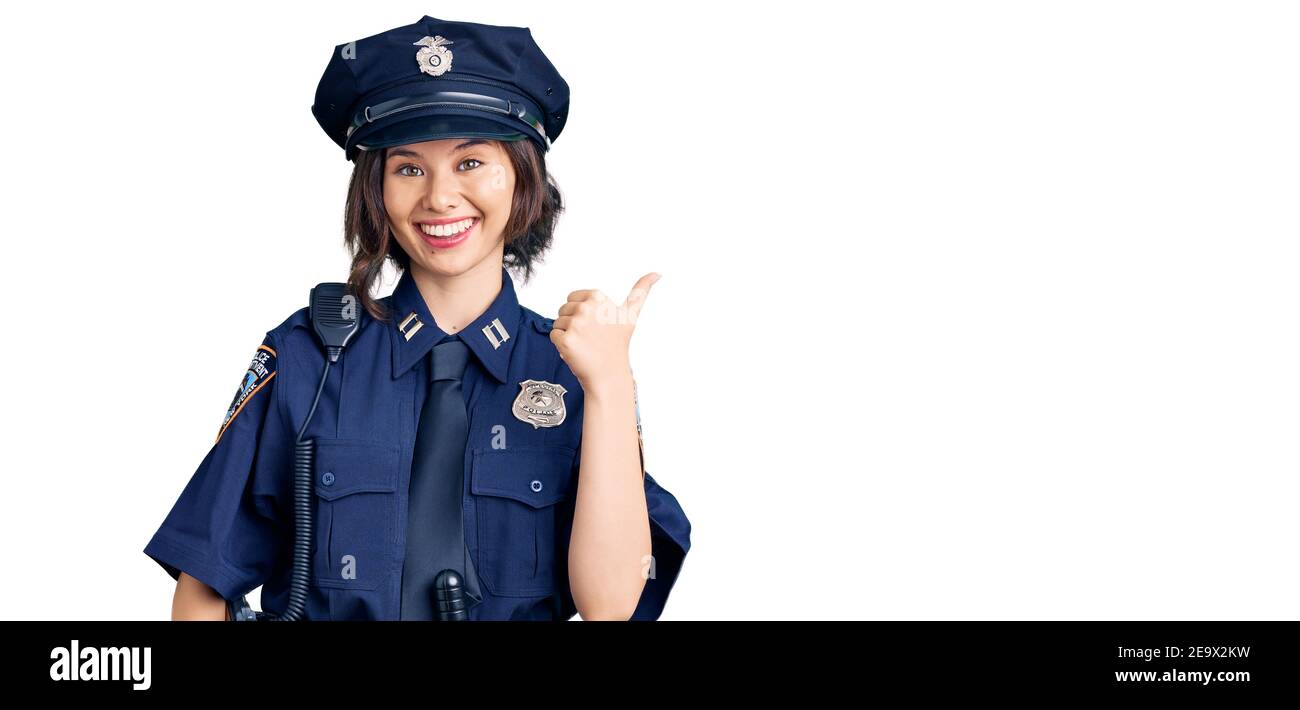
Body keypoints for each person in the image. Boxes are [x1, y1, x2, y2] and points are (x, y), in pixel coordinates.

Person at [142, 15, 691, 621]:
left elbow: (612, 607)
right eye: (408, 168)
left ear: (522, 177)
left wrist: (611, 386)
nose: (438, 197)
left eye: (471, 162)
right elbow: (201, 589)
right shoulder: (306, 355)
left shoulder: (575, 368)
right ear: (374, 191)